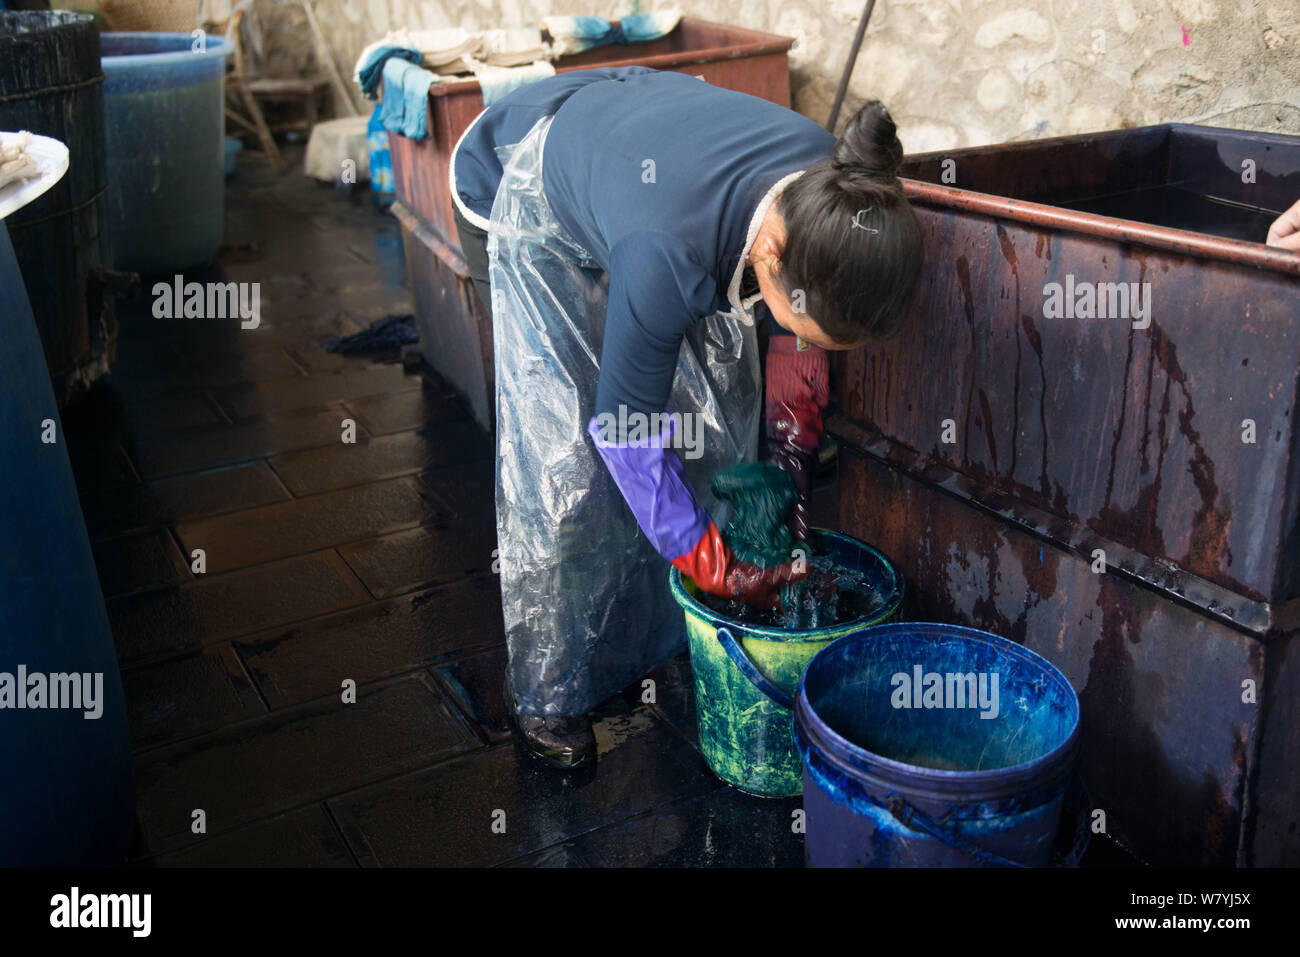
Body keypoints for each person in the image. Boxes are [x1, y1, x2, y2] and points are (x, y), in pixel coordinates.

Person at [450, 66, 923, 769]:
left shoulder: (836, 193)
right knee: (571, 460)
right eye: (811, 326)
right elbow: (624, 429)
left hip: (649, 166)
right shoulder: (664, 254)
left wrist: (790, 476)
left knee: (714, 410)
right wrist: (714, 568)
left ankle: (675, 623)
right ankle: (551, 692)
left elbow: (798, 346)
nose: (811, 342)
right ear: (772, 257)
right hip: (526, 180)